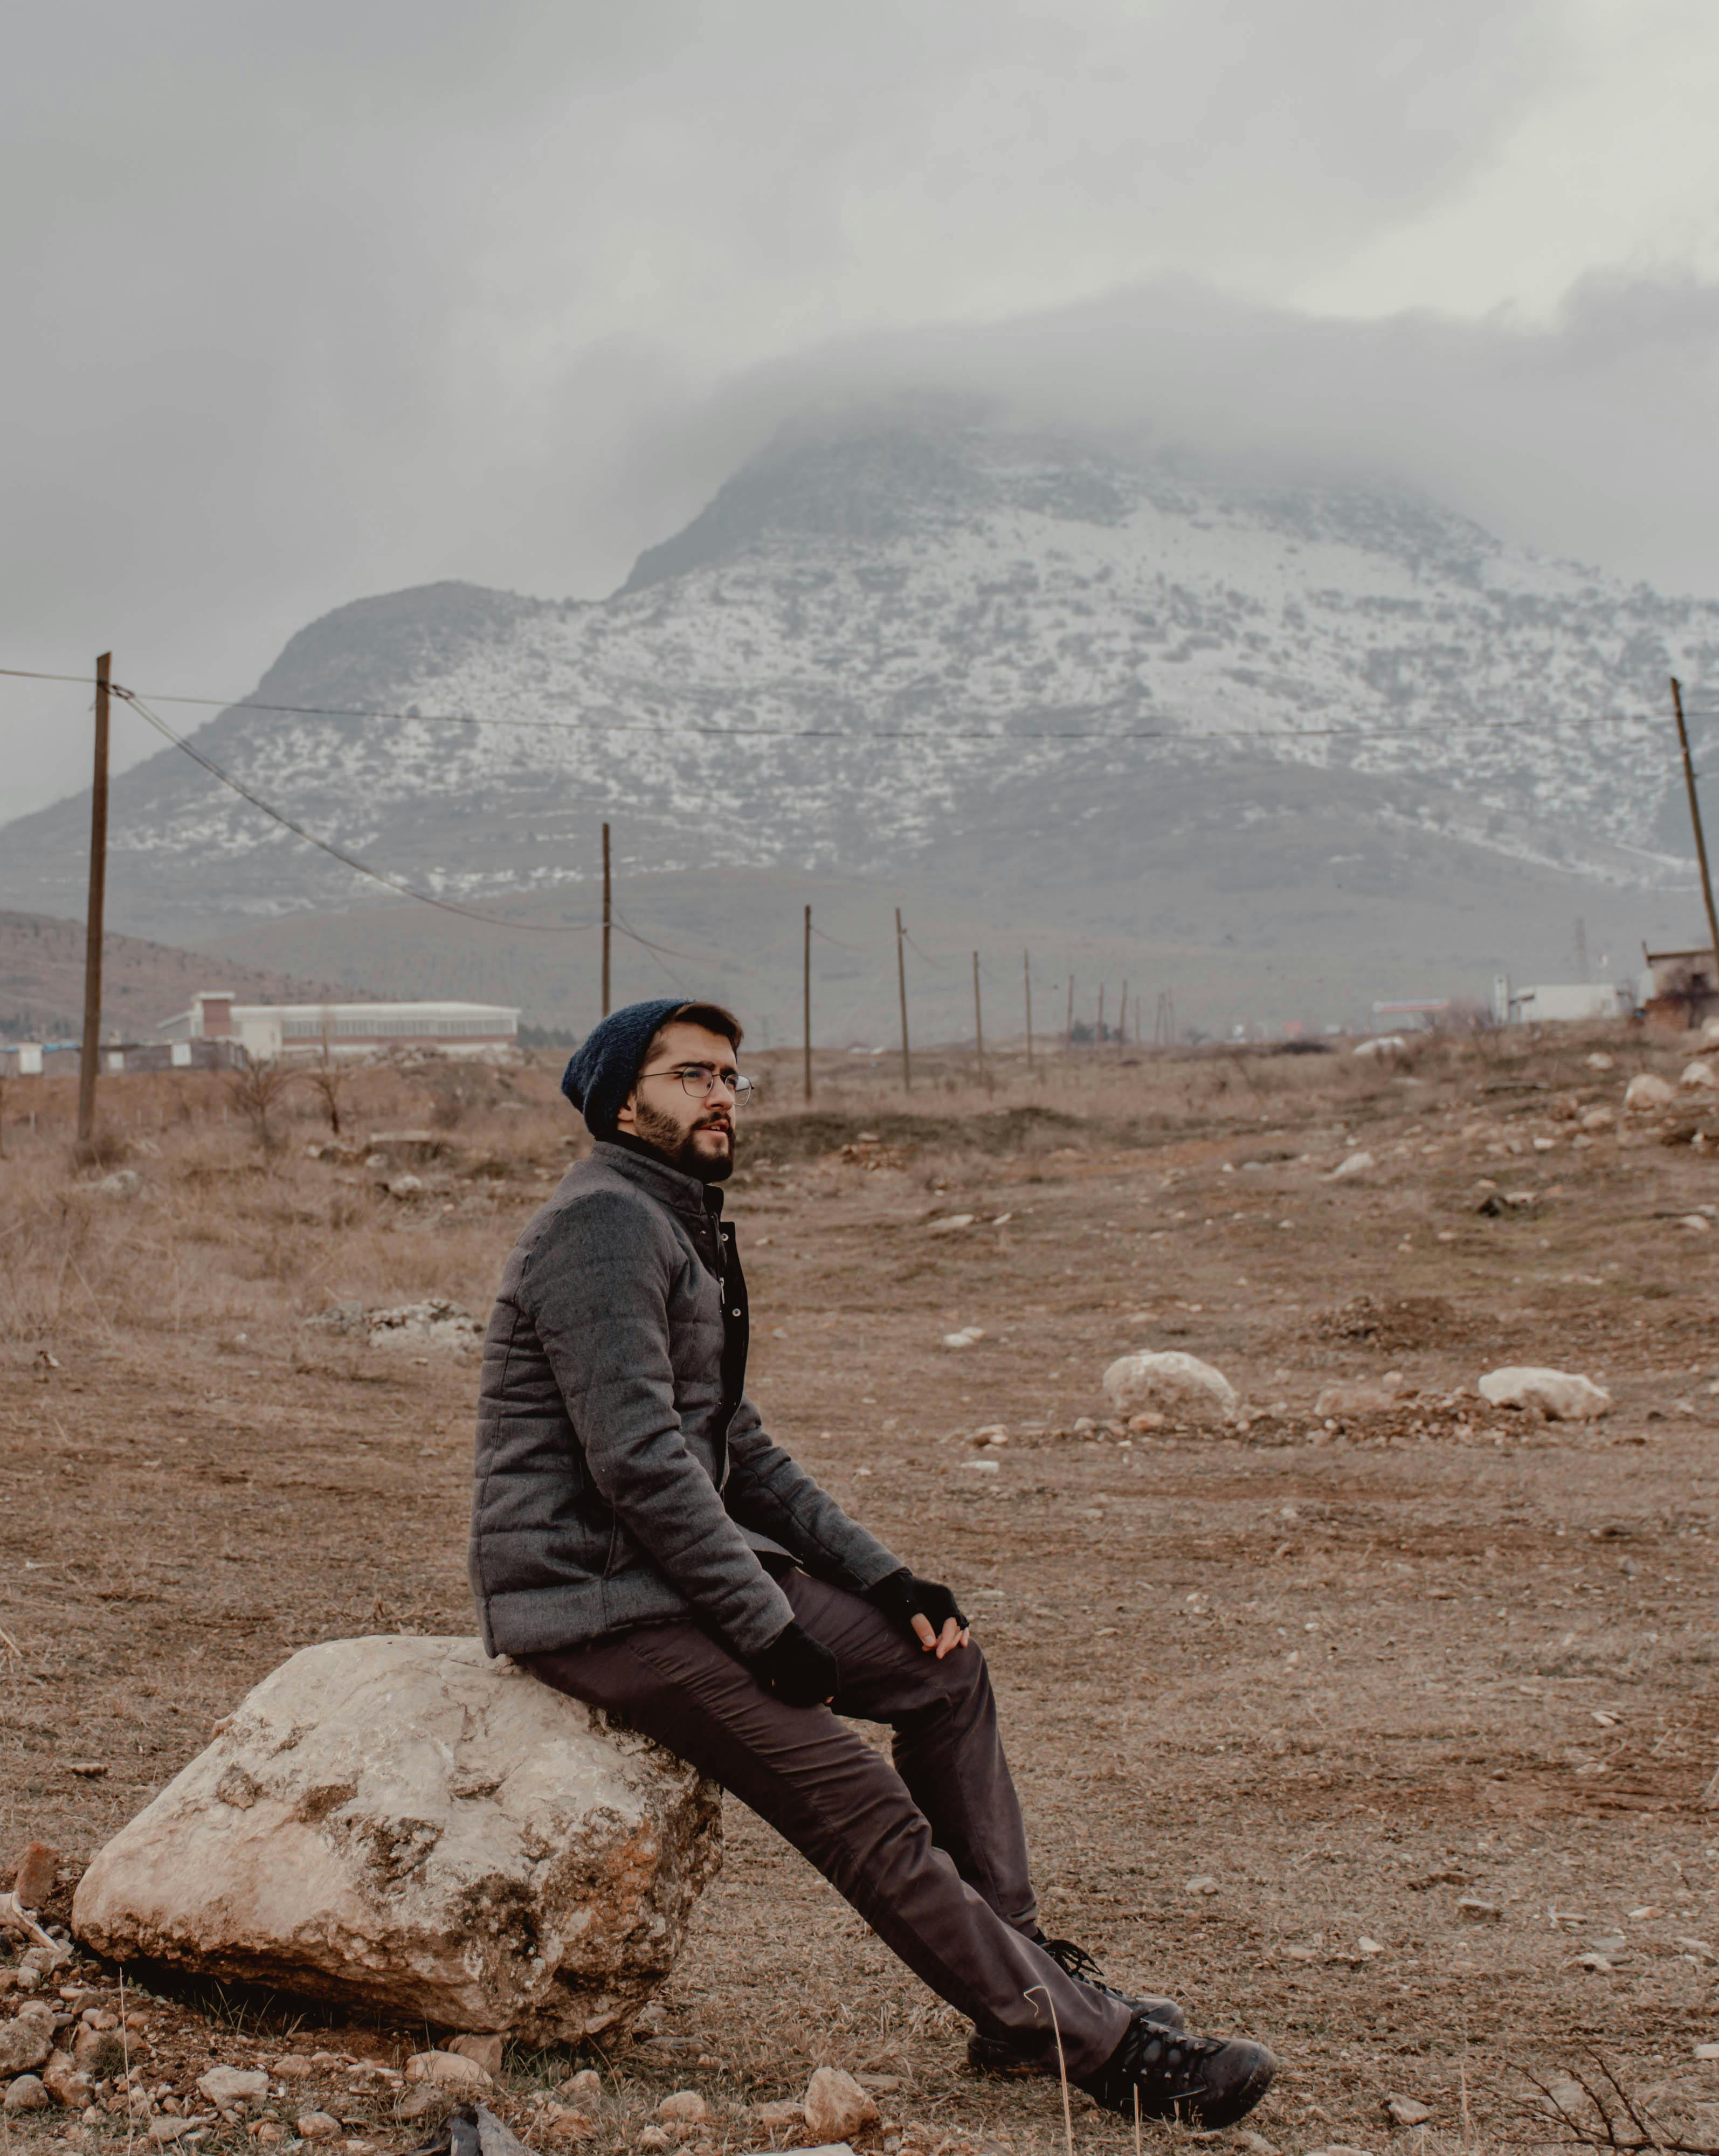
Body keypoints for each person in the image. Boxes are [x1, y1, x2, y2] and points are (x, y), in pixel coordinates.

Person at [468, 997, 1275, 2126]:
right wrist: (769, 1632)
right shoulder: (599, 1225)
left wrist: (886, 1579)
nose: (720, 1094)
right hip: (598, 1598)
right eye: (689, 1074)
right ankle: (1100, 2051)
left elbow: (731, 1444)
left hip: (673, 1576)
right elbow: (641, 1466)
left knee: (942, 1668)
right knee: (862, 1809)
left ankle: (1019, 2001)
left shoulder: (676, 1219)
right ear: (620, 1100)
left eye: (732, 1076)